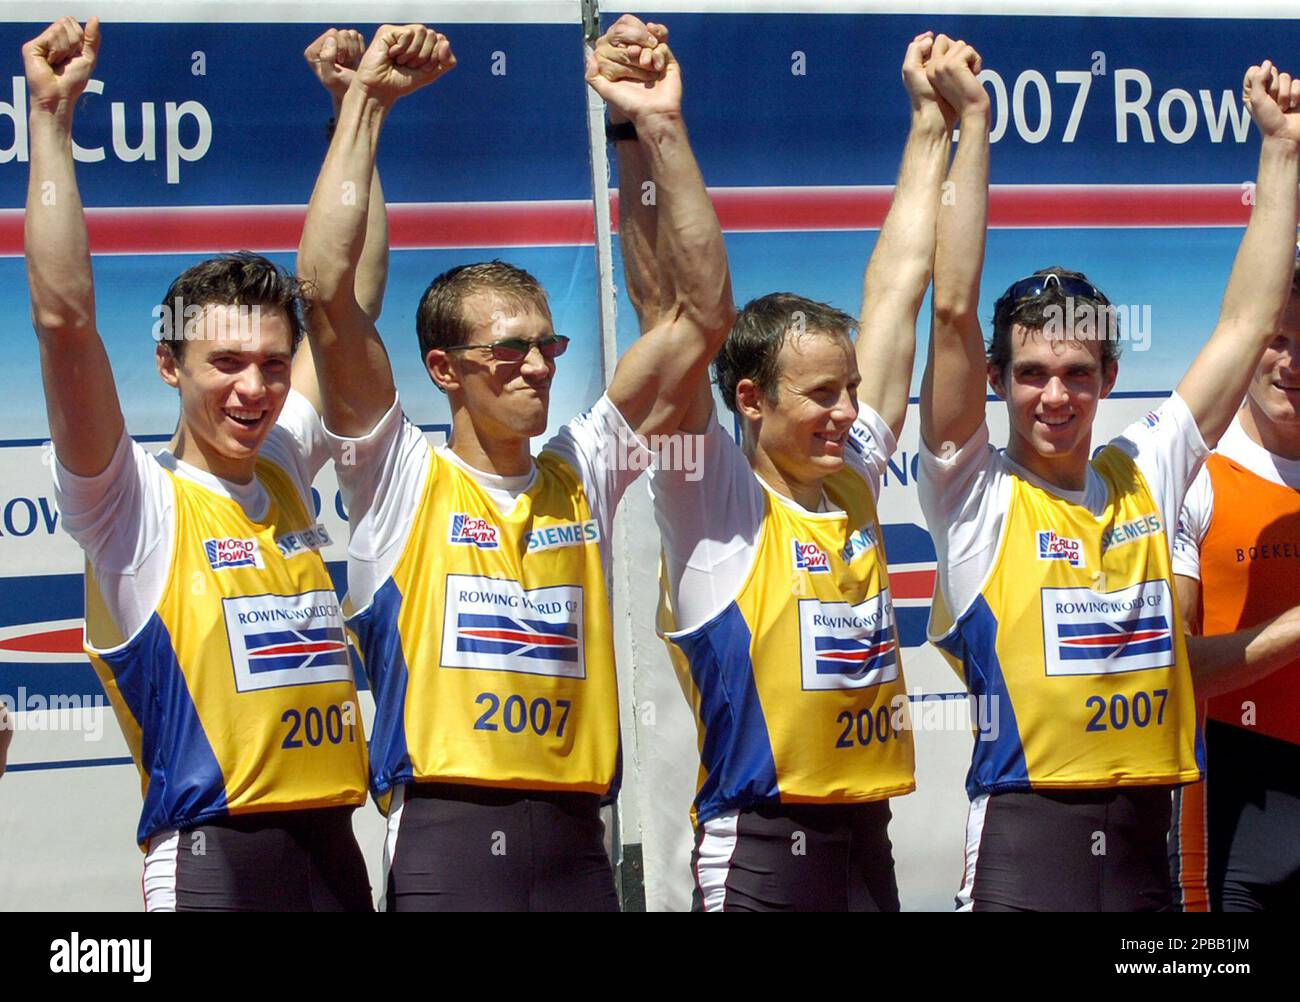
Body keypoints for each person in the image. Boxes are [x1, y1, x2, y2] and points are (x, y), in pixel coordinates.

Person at [296, 20, 733, 911]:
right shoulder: (394, 473)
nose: (536, 366)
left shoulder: (586, 466)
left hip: (577, 840)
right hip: (449, 837)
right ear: (444, 370)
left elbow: (703, 318)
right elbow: (325, 292)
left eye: (546, 346)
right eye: (507, 353)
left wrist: (660, 129)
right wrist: (365, 107)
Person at [920, 36, 1300, 911]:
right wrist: (971, 127)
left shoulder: (1144, 470)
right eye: (1031, 374)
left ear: (1108, 381)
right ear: (995, 380)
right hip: (1026, 851)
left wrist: (1280, 150)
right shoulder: (970, 489)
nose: (1055, 396)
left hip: (1145, 857)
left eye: (1078, 373)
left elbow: (1245, 327)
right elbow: (948, 307)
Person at [25, 17, 383, 911]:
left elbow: (344, 300)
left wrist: (355, 116)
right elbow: (65, 321)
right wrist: (50, 121)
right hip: (212, 862)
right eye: (224, 364)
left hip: (336, 852)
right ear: (169, 365)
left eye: (270, 363)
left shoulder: (284, 465)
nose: (253, 389)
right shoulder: (129, 503)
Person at [606, 22, 953, 911]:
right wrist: (649, 134)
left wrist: (928, 126)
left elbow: (899, 285)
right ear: (752, 400)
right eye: (821, 397)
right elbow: (667, 312)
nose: (850, 414)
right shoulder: (711, 493)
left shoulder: (851, 478)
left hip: (865, 838)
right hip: (761, 847)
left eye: (851, 391)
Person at [1170, 266, 1300, 911]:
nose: (1293, 362)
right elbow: (1171, 670)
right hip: (1234, 802)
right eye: (1278, 337)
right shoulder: (1193, 476)